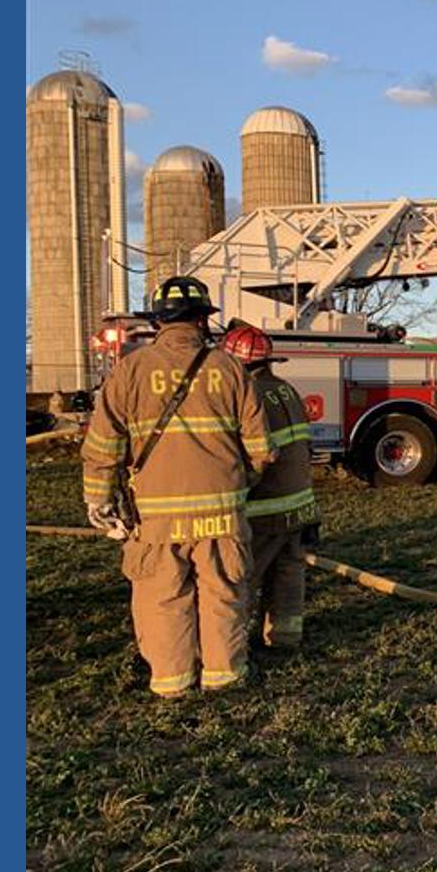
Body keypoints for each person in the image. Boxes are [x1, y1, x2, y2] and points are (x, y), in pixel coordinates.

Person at [82, 276, 273, 698]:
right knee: (222, 591)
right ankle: (224, 676)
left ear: (160, 322)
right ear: (203, 321)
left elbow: (102, 442)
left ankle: (172, 682)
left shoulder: (130, 369)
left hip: (156, 515)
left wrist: (99, 497)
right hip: (221, 512)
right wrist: (240, 483)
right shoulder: (229, 369)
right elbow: (261, 448)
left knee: (162, 596)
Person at [221, 322, 320, 649]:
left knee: (243, 578)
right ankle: (284, 637)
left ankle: (232, 646)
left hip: (265, 508)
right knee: (288, 576)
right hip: (300, 506)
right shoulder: (287, 389)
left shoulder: (248, 395)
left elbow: (248, 454)